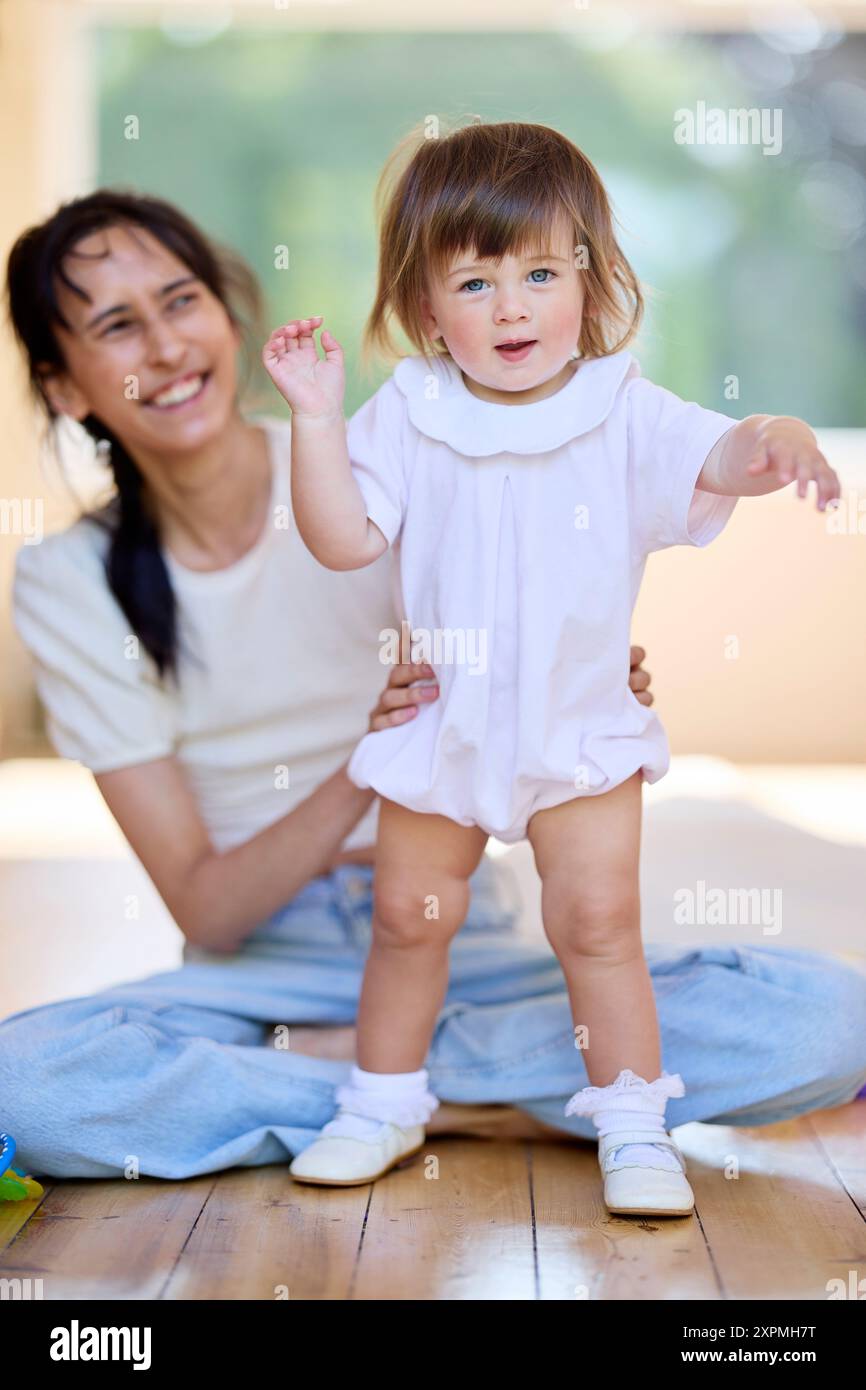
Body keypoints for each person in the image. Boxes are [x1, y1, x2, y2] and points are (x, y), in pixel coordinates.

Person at [2, 189, 863, 1190]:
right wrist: (374, 755)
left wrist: (571, 669)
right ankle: (478, 1092)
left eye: (180, 300)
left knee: (830, 1021)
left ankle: (367, 1083)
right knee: (24, 1087)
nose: (164, 345)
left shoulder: (388, 453)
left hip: (473, 949)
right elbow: (210, 909)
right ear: (64, 387)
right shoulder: (74, 575)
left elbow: (551, 558)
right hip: (266, 973)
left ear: (228, 318)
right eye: (116, 325)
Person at [262, 120, 843, 1214]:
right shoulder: (412, 413)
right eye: (474, 284)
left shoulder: (622, 408)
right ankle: (382, 1103)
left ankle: (632, 1125)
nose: (511, 308)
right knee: (408, 920)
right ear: (426, 307)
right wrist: (316, 420)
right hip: (443, 724)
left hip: (579, 727)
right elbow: (341, 540)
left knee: (597, 926)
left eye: (539, 273)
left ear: (590, 277)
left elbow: (719, 452)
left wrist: (777, 433)